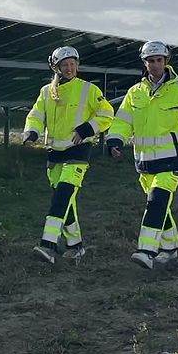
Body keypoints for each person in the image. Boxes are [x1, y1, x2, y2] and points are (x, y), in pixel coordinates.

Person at [107, 41, 178, 270]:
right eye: (150, 61)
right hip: (144, 163)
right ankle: (170, 247)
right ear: (144, 63)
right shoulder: (134, 93)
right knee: (159, 206)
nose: (155, 65)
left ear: (166, 62)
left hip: (171, 161)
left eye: (158, 60)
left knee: (156, 202)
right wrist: (115, 140)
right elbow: (123, 122)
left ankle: (146, 251)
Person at [22, 46, 114, 264]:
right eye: (65, 65)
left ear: (77, 65)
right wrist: (31, 132)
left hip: (79, 151)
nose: (70, 68)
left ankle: (48, 245)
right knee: (65, 201)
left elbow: (107, 113)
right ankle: (76, 246)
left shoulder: (88, 89)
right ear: (57, 68)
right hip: (54, 152)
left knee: (62, 196)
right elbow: (36, 114)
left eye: (73, 64)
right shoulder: (46, 91)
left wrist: (86, 129)